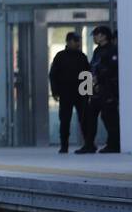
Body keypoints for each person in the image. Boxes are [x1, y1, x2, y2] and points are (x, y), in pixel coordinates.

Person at [79, 25, 121, 153]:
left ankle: (114, 144)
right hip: (96, 91)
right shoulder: (98, 51)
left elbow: (112, 69)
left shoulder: (112, 50)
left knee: (109, 117)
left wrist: (99, 78)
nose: (95, 38)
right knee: (89, 116)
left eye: (97, 35)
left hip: (108, 90)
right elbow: (93, 68)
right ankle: (89, 144)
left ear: (103, 36)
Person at [49, 32, 90, 153]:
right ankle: (64, 145)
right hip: (65, 93)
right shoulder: (60, 56)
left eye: (78, 40)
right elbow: (53, 75)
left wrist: (88, 92)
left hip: (81, 94)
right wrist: (55, 92)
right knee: (65, 120)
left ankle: (88, 143)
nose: (78, 43)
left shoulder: (82, 56)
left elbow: (87, 74)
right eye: (75, 40)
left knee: (84, 119)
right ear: (68, 41)